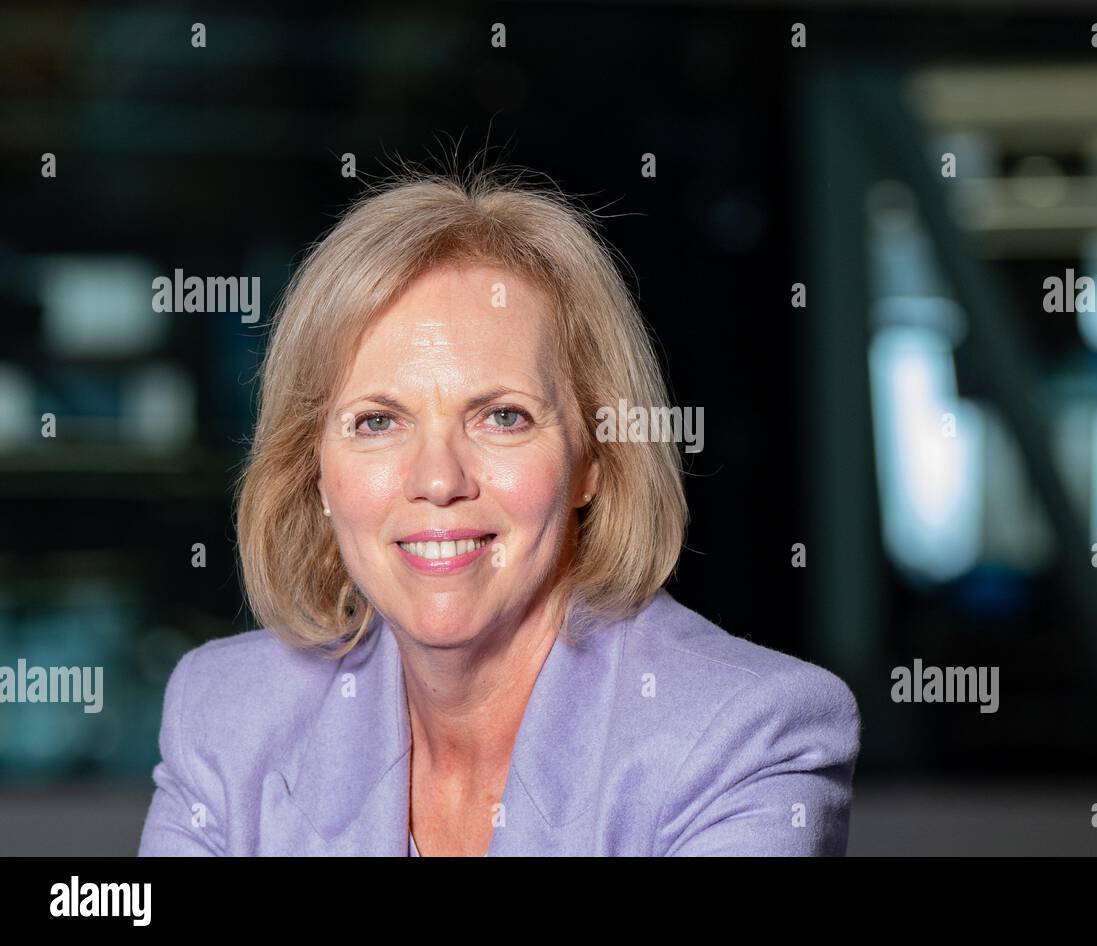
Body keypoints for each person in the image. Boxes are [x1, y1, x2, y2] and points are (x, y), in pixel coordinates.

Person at [138, 170, 861, 856]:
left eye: (503, 417)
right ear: (315, 472)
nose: (438, 479)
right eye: (377, 422)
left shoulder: (743, 734)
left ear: (594, 458)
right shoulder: (230, 715)